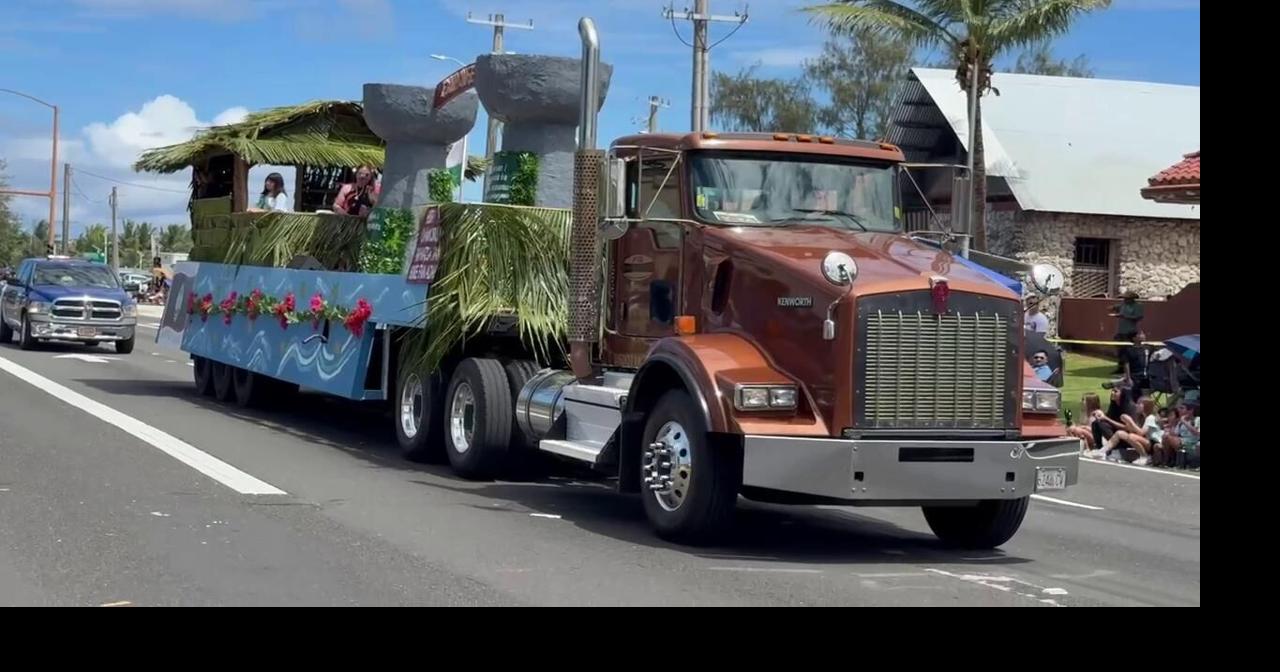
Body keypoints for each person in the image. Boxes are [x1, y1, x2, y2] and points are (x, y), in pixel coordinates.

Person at [1091, 386, 1137, 461]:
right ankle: (1099, 448)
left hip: (1128, 437)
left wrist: (1105, 418)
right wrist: (1099, 415)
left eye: (1116, 391)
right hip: (1116, 433)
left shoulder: (1130, 407)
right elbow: (1108, 418)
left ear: (1123, 394)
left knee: (1104, 423)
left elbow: (1127, 428)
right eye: (1112, 391)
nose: (1112, 393)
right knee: (1097, 423)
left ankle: (1117, 449)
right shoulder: (1114, 405)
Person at [1109, 291, 1144, 372]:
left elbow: (1138, 317)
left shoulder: (1138, 306)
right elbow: (1117, 307)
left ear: (1131, 299)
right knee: (1121, 351)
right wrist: (1113, 308)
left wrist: (1124, 316)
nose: (1124, 300)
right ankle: (1121, 368)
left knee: (1129, 352)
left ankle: (1132, 368)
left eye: (1126, 299)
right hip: (1121, 331)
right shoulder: (1123, 304)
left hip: (1131, 332)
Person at [1160, 403, 1200, 467]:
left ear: (1191, 410)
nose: (1179, 410)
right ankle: (1168, 460)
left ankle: (1167, 461)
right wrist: (1170, 426)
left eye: (1182, 408)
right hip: (1181, 441)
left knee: (1167, 438)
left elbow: (1196, 433)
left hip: (1192, 443)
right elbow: (1175, 434)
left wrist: (1184, 421)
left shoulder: (1197, 419)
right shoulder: (1180, 422)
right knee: (1165, 437)